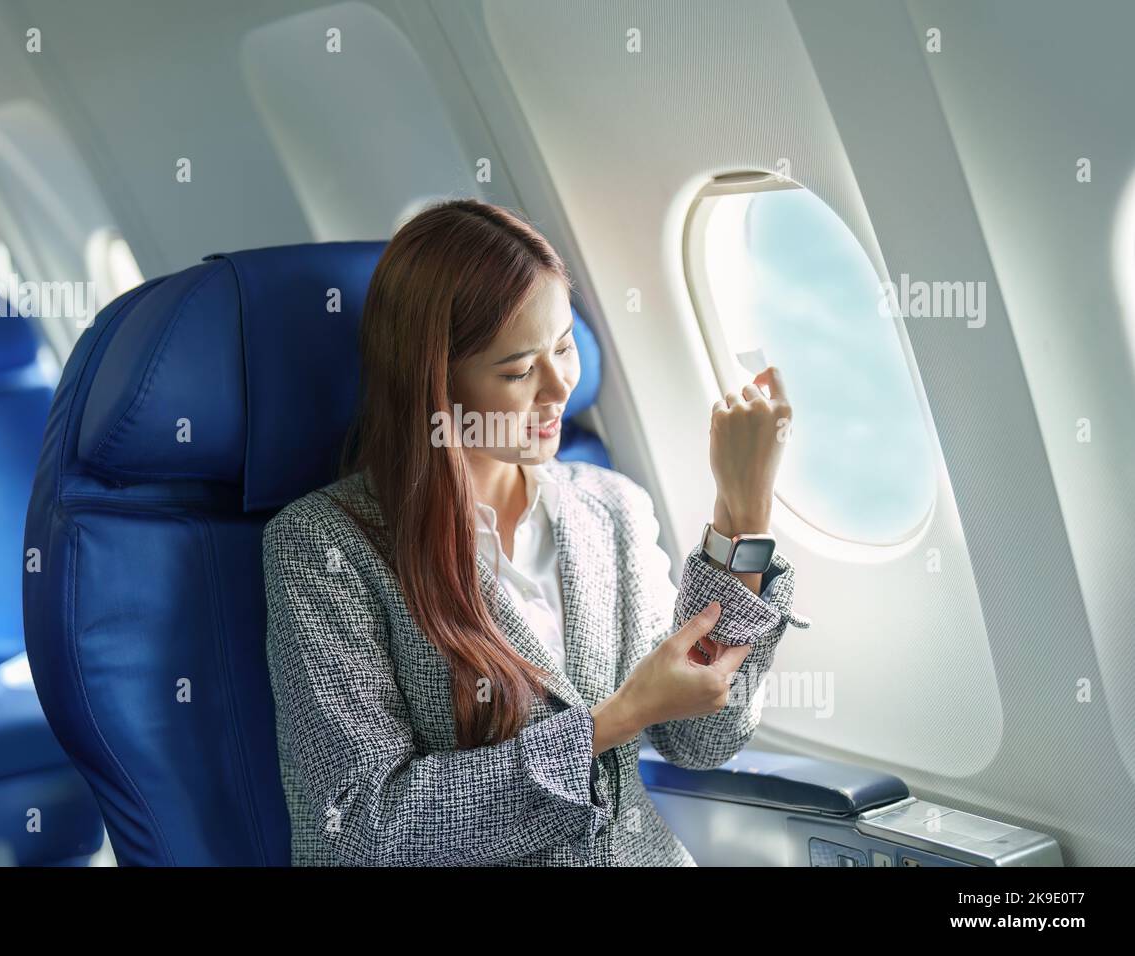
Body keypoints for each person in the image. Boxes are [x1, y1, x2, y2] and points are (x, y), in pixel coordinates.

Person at [262, 198, 810, 866]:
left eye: (564, 347)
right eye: (519, 371)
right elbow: (360, 829)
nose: (559, 388)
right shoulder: (325, 546)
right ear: (436, 384)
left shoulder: (610, 507)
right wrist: (612, 722)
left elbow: (704, 738)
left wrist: (742, 511)